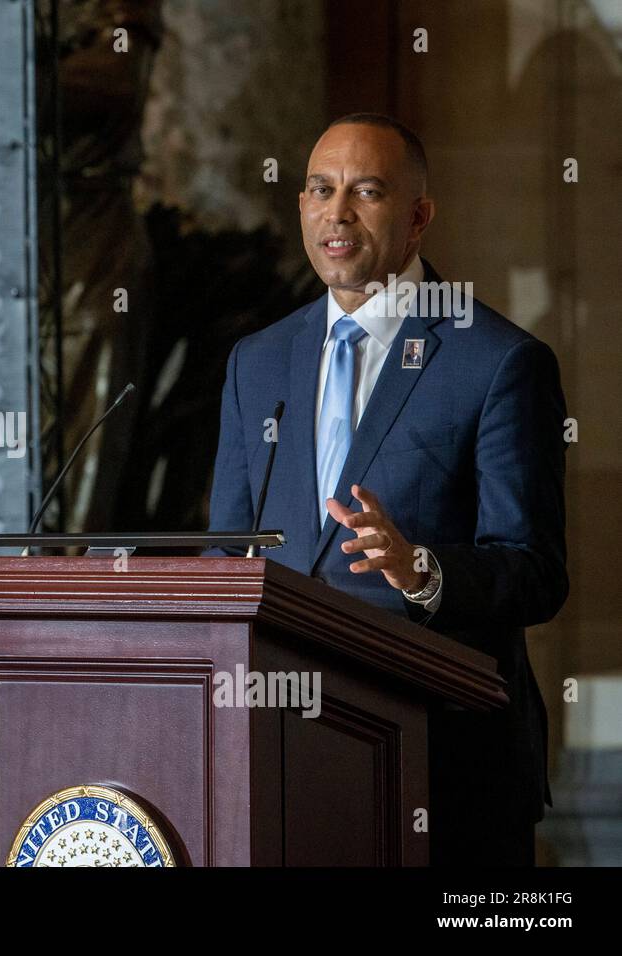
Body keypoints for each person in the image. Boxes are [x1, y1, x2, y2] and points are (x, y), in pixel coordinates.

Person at [208, 113, 567, 865]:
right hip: (284, 761)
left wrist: (423, 572)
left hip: (444, 764)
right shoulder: (257, 361)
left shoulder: (497, 362)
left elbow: (536, 572)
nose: (335, 213)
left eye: (366, 191)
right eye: (319, 189)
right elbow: (228, 560)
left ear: (418, 217)